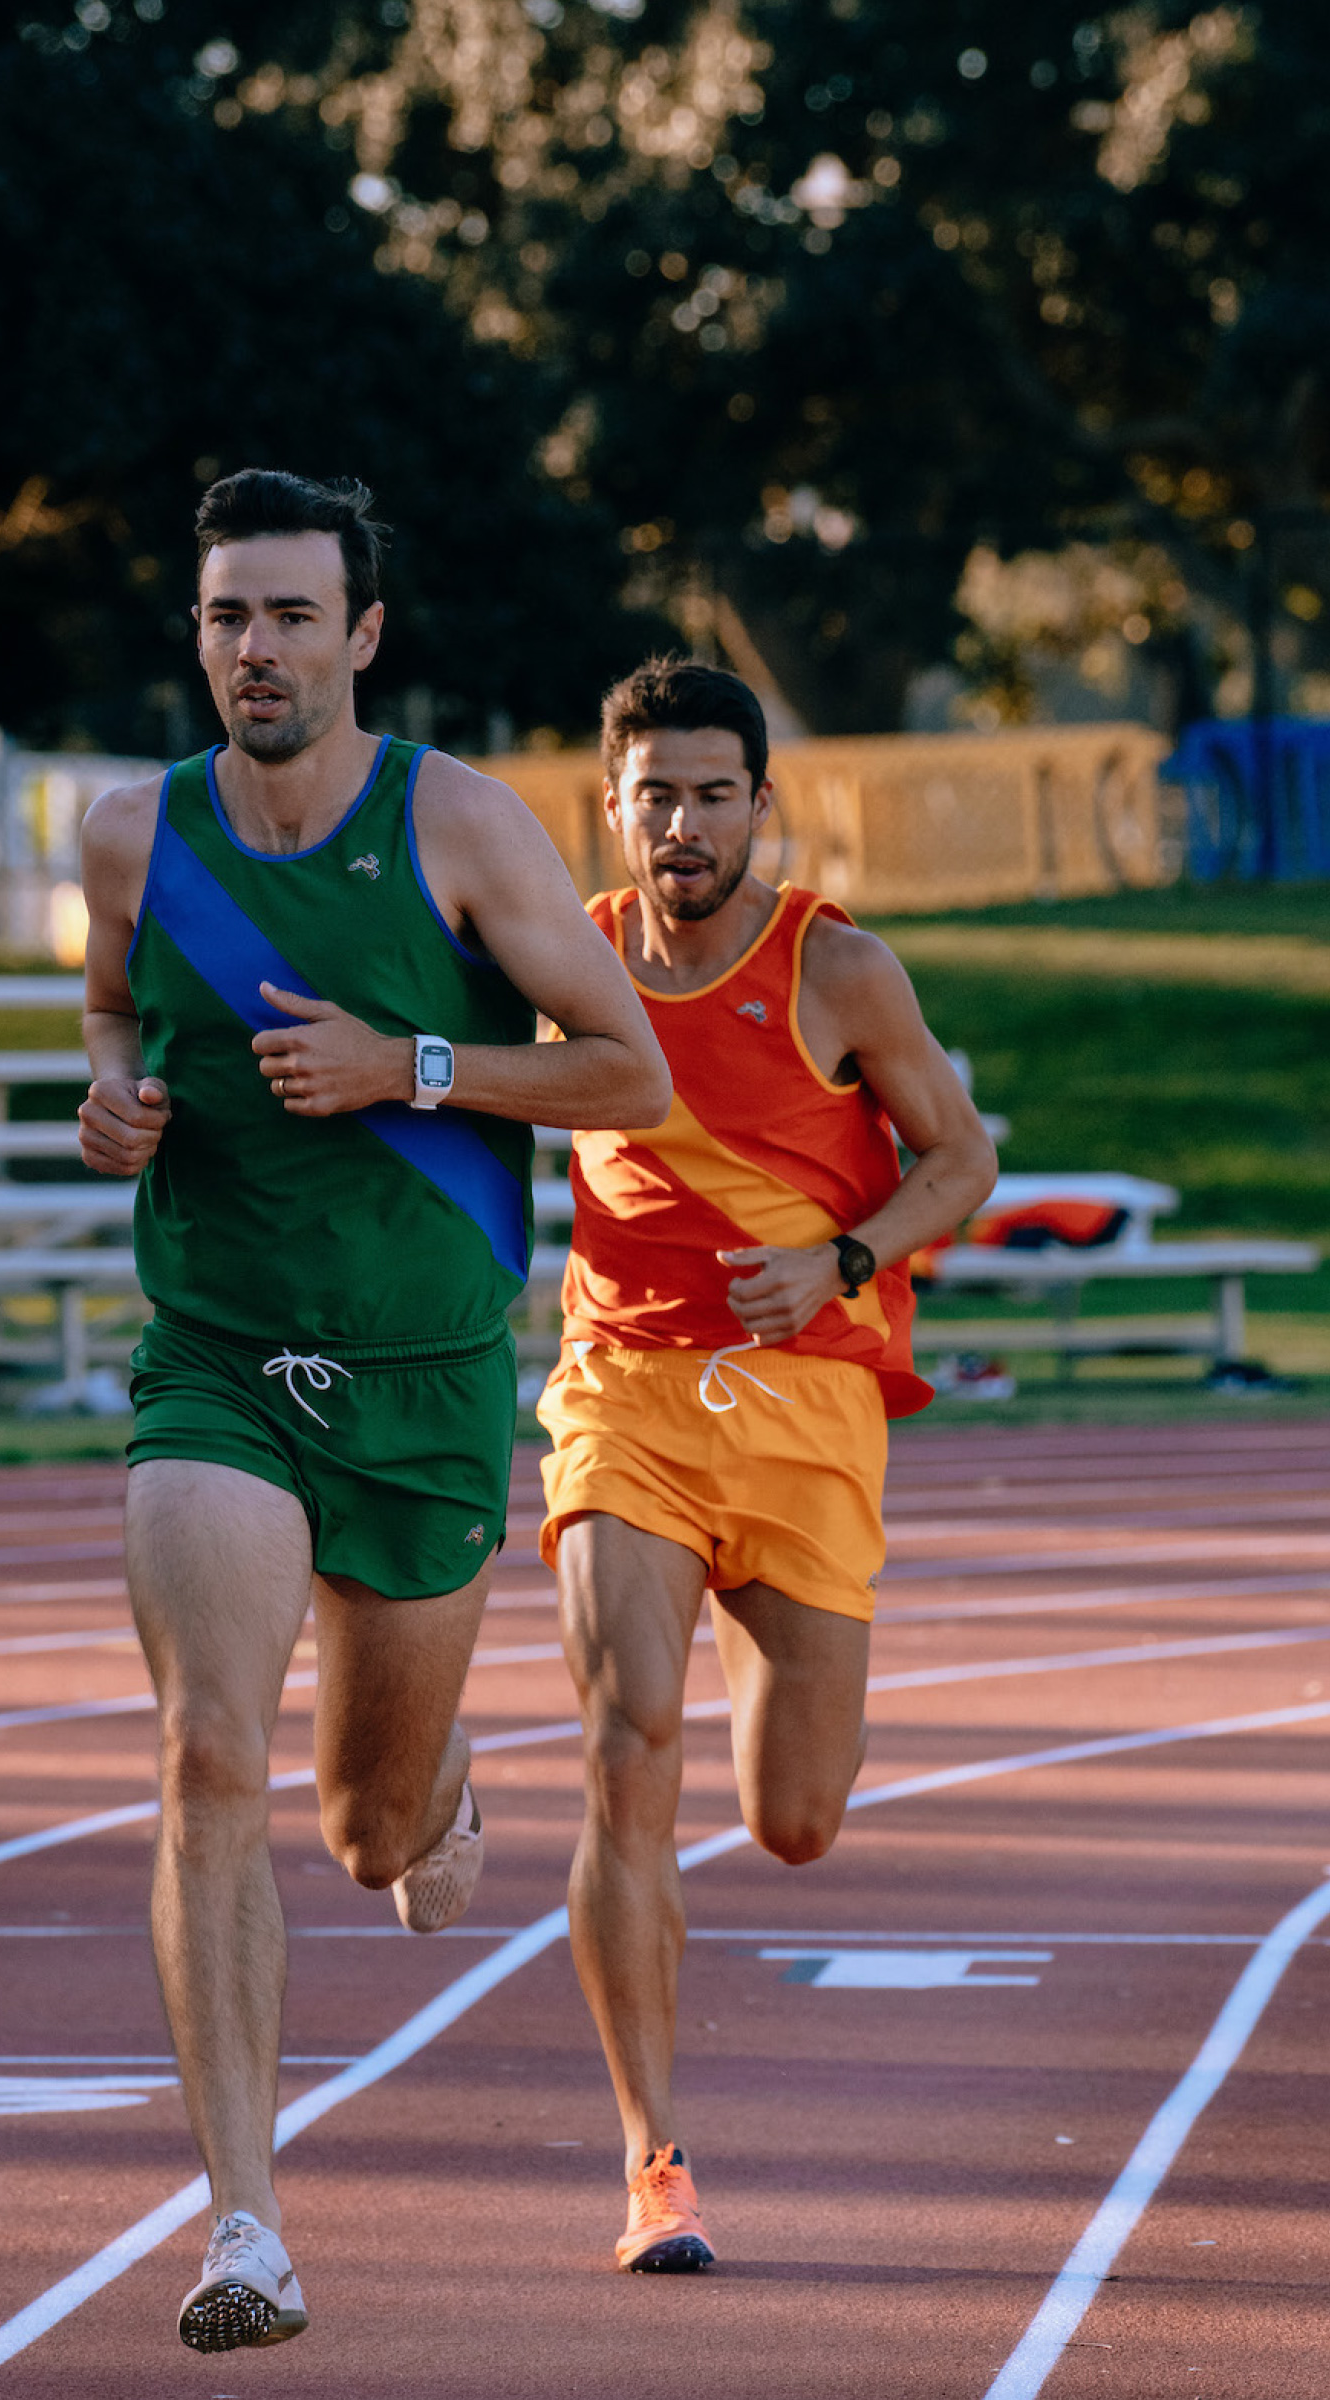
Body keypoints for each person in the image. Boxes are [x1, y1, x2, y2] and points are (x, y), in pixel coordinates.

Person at [76, 470, 669, 2352]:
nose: (256, 648)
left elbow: (630, 1077)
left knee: (366, 1827)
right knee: (203, 1762)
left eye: (291, 616)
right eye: (227, 615)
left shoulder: (464, 827)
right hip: (219, 1355)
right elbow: (108, 1014)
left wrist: (406, 1065)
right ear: (199, 634)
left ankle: (437, 1783)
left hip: (419, 1379)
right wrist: (114, 1103)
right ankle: (246, 2224)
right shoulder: (126, 833)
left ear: (363, 638)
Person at [536, 657, 997, 2274]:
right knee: (621, 1740)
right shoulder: (567, 953)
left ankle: (752, 1628)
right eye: (652, 793)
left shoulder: (841, 970)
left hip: (807, 1409)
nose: (681, 822)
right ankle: (653, 2160)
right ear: (613, 805)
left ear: (762, 805)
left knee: (794, 1819)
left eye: (711, 792)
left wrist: (851, 1262)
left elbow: (964, 1156)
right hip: (624, 1395)